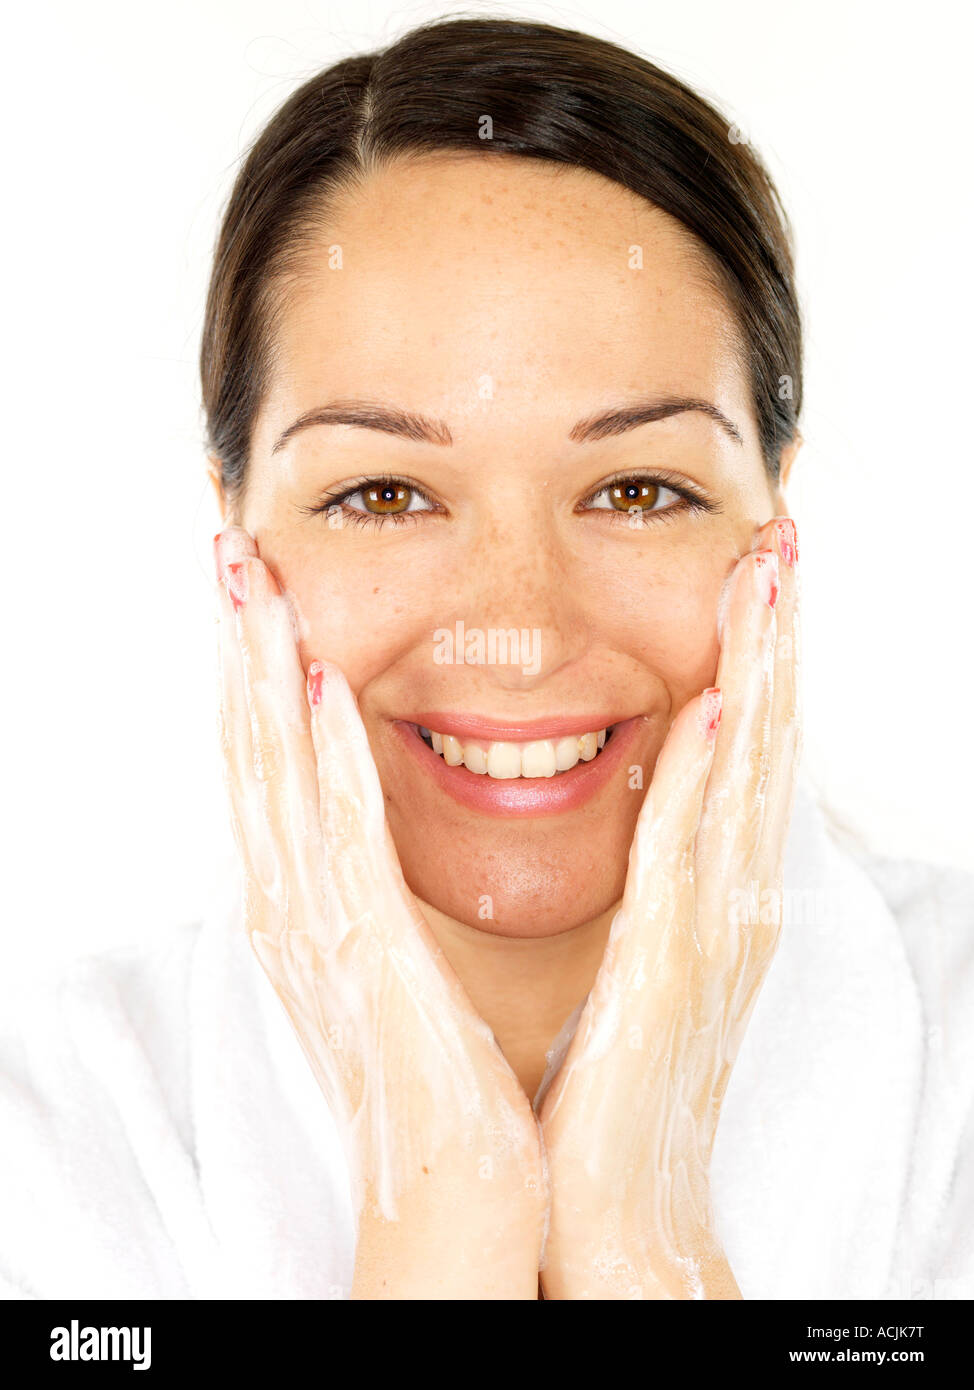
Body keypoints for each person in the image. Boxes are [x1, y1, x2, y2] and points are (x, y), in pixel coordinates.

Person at [2, 15, 971, 1301]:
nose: (516, 633)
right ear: (233, 529)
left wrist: (642, 1236)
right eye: (384, 494)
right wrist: (440, 1215)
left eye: (634, 489)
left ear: (774, 512)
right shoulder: (43, 1129)